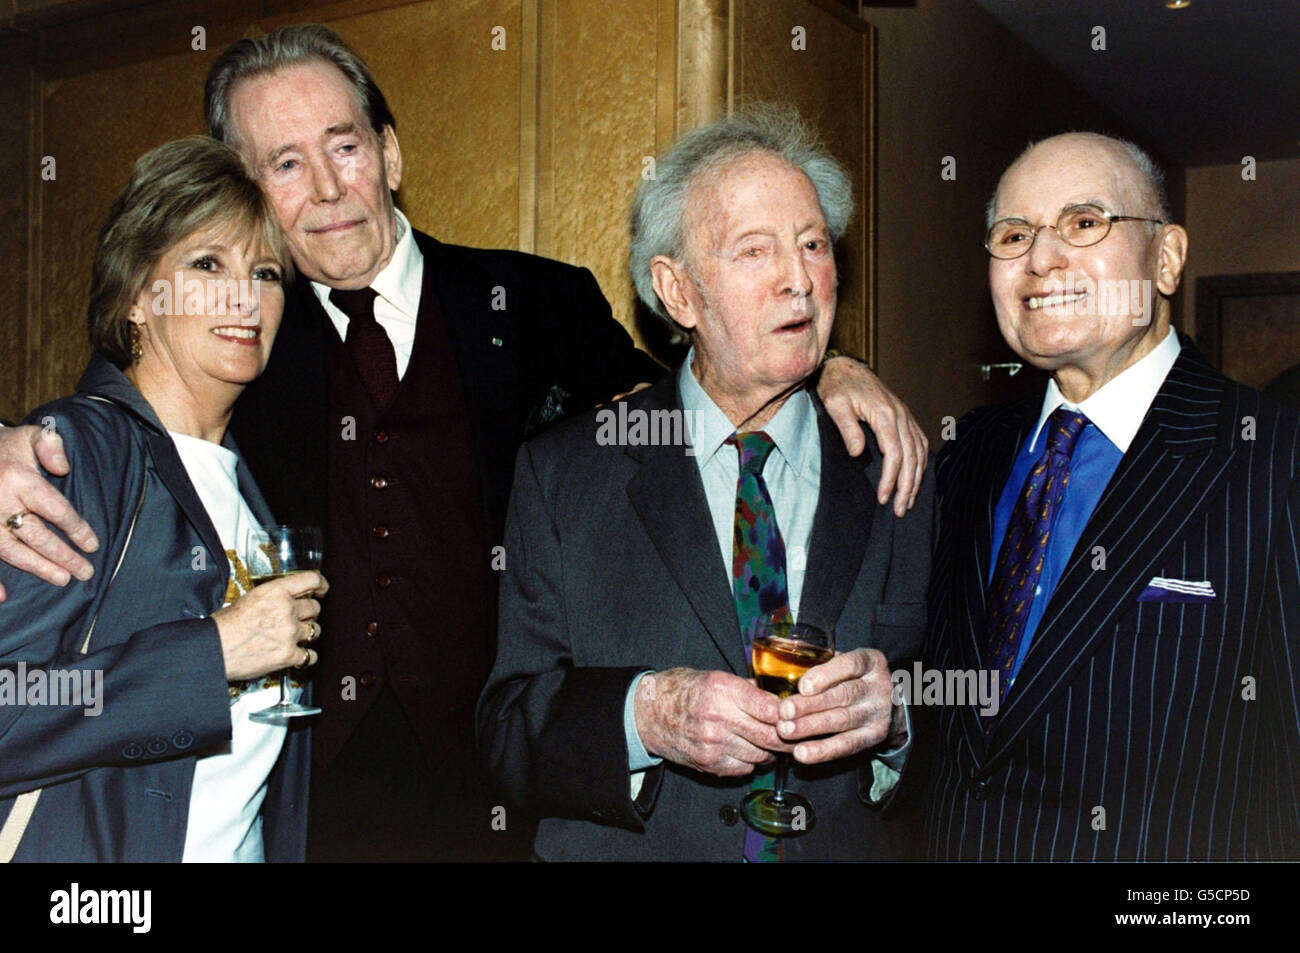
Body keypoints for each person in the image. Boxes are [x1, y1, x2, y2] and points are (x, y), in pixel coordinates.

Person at [0, 25, 927, 862]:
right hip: (299, 804)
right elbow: (121, 393)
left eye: (345, 146)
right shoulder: (243, 331)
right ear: (245, 191)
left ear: (390, 153)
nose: (326, 188)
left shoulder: (533, 303)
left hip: (497, 801)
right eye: (283, 164)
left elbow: (701, 388)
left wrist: (830, 366)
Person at [479, 106, 932, 861]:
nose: (799, 281)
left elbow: (974, 719)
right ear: (677, 292)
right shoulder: (565, 473)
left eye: (813, 245)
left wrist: (900, 720)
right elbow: (506, 730)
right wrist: (643, 716)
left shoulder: (896, 461)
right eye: (755, 251)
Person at [922, 132, 1300, 861]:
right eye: (1013, 234)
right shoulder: (966, 454)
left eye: (1084, 223)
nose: (1041, 259)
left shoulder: (1274, 462)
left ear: (1166, 260)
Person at [0, 136, 326, 862]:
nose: (247, 297)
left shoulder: (248, 492)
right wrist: (212, 653)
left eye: (266, 272)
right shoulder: (76, 453)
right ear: (140, 297)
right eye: (208, 263)